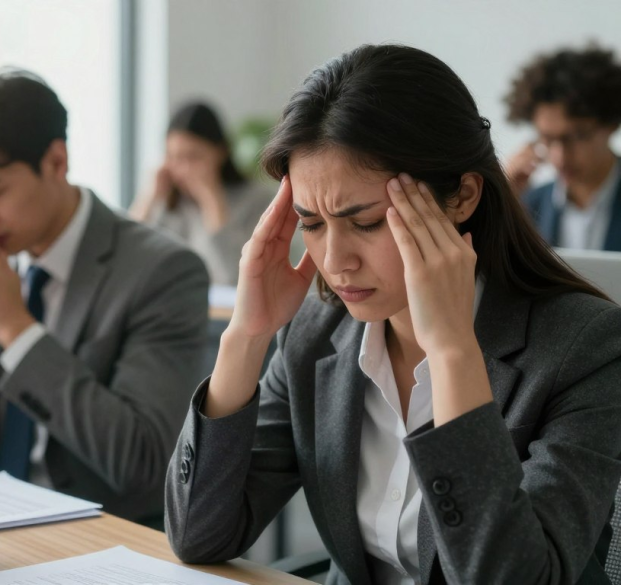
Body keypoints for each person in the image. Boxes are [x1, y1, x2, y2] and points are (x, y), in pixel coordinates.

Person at [166, 45, 621, 584]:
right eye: (311, 223)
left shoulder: (586, 347)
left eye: (366, 222)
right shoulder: (317, 333)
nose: (334, 262)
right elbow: (198, 535)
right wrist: (246, 336)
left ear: (462, 197)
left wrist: (453, 354)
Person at [0, 70, 209, 524]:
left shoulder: (162, 272)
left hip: (97, 533)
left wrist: (15, 331)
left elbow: (145, 463)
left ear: (57, 162)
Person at [129, 102, 273, 285]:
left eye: (193, 157)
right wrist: (148, 198)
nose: (183, 169)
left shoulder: (256, 199)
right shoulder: (166, 200)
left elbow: (236, 276)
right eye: (174, 157)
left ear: (221, 152)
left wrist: (211, 200)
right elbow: (127, 258)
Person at [503, 45, 621, 250]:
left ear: (611, 125)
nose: (560, 157)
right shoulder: (527, 205)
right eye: (547, 138)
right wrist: (502, 201)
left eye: (577, 137)